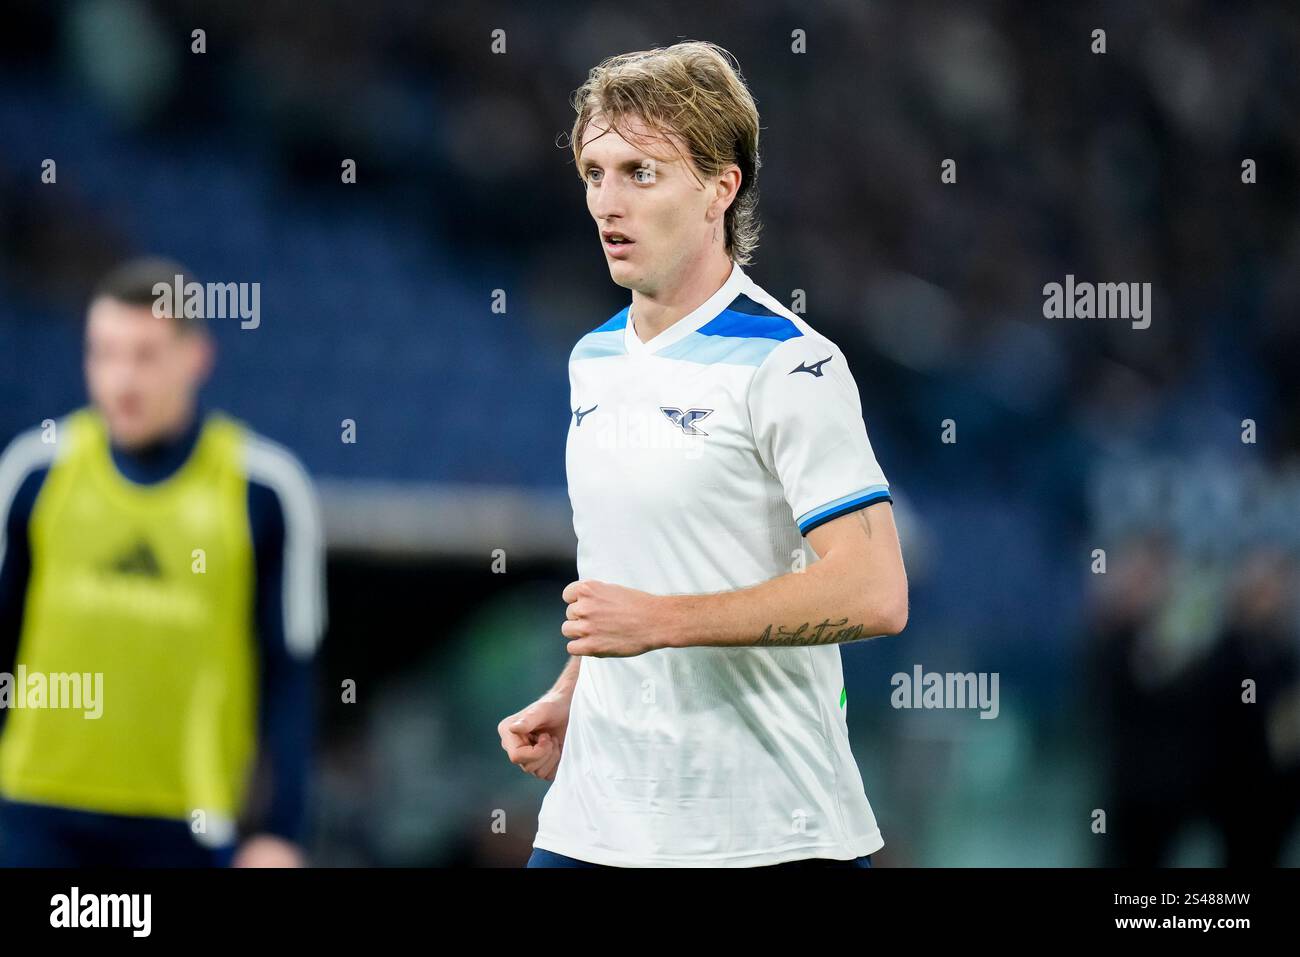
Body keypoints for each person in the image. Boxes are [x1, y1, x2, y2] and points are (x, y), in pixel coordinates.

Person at [500, 42, 907, 867]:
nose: (607, 202)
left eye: (641, 173)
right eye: (594, 172)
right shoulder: (593, 359)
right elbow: (634, 565)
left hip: (765, 830)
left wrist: (663, 625)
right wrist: (576, 689)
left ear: (721, 188)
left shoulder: (791, 363)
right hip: (593, 822)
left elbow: (875, 591)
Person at [0, 257, 325, 866]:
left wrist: (282, 832)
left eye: (144, 355)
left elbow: (289, 675)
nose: (122, 379)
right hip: (32, 816)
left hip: (190, 825)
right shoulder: (33, 471)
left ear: (195, 356)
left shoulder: (264, 488)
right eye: (104, 353)